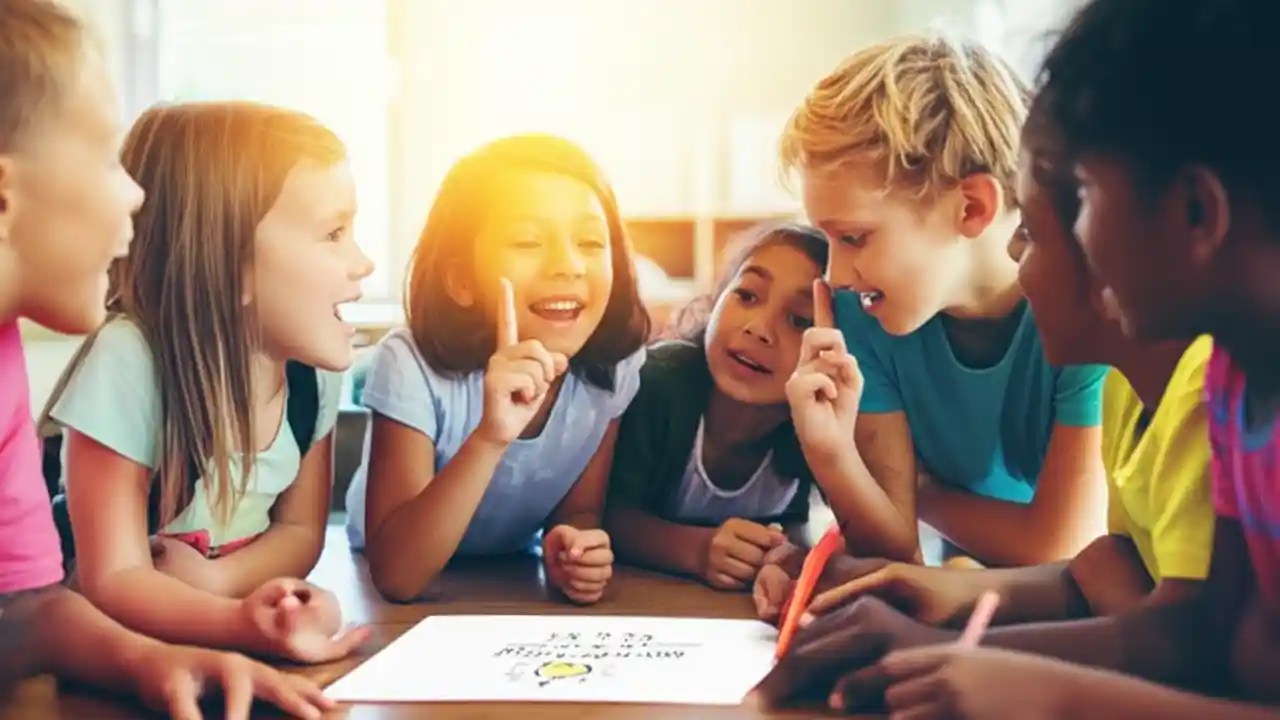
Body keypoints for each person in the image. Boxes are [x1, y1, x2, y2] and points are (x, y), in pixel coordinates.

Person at [757, 0, 1280, 716]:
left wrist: (1043, 686)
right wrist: (945, 631)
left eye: (1079, 203)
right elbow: (1192, 627)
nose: (1017, 253)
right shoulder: (1229, 386)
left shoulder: (1187, 382)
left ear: (1195, 212)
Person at [0, 1, 338, 716]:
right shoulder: (128, 358)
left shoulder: (6, 373)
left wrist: (175, 650)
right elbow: (96, 579)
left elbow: (23, 616)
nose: (133, 196)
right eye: (102, 155)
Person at [47, 102, 372, 664]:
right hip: (92, 656)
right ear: (233, 265)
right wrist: (240, 622)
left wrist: (232, 590)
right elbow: (113, 578)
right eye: (333, 233)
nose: (362, 262)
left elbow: (300, 534)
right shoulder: (130, 362)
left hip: (196, 641)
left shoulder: (310, 378)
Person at [781, 35, 1108, 566]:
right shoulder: (862, 316)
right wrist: (832, 452)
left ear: (972, 207)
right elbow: (893, 554)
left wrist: (917, 493)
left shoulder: (1086, 307)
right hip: (969, 575)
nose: (835, 275)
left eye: (855, 238)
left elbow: (1058, 547)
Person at [346, 134, 650, 604]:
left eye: (590, 241)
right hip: (398, 583)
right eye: (529, 241)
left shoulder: (613, 368)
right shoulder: (409, 363)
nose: (567, 265)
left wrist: (572, 548)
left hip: (510, 578)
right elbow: (397, 575)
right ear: (461, 279)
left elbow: (580, 510)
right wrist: (491, 435)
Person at [607, 223, 835, 589]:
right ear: (715, 300)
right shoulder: (658, 384)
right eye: (746, 295)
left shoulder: (811, 429)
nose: (758, 328)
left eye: (799, 321)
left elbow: (795, 527)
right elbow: (608, 518)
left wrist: (782, 557)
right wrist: (698, 551)